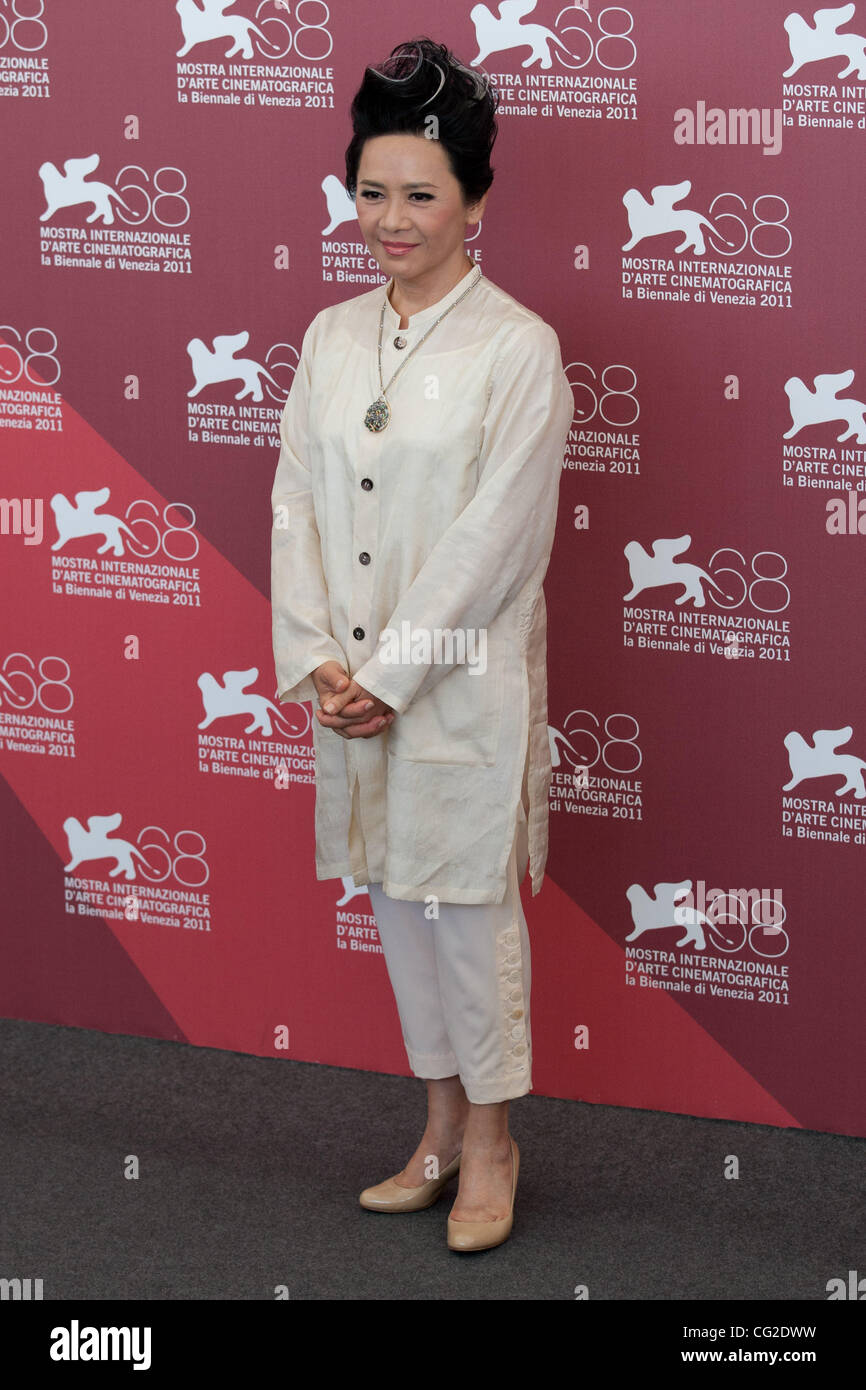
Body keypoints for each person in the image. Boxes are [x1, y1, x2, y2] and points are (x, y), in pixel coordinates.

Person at [270, 37, 574, 1251]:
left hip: (454, 694)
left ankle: (494, 1141)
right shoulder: (329, 337)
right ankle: (437, 1127)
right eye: (372, 192)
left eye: (421, 195)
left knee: (467, 912)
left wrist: (392, 676)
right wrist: (322, 666)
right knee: (398, 906)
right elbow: (292, 500)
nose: (391, 221)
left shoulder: (517, 348)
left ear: (475, 201)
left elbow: (494, 543)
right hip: (348, 687)